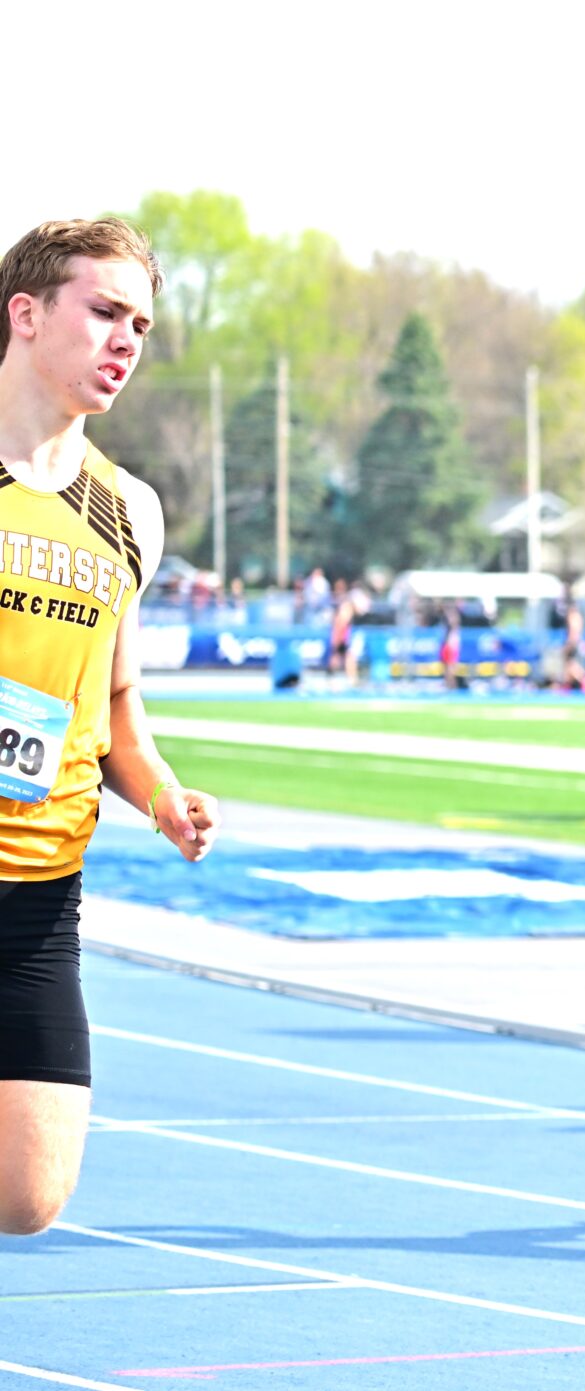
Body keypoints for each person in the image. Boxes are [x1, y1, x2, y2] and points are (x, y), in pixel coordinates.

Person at [0, 217, 221, 1236]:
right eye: (104, 312)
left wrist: (164, 794)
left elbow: (117, 706)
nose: (126, 339)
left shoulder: (128, 508)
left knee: (29, 1197)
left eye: (140, 321)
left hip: (39, 899)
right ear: (28, 312)